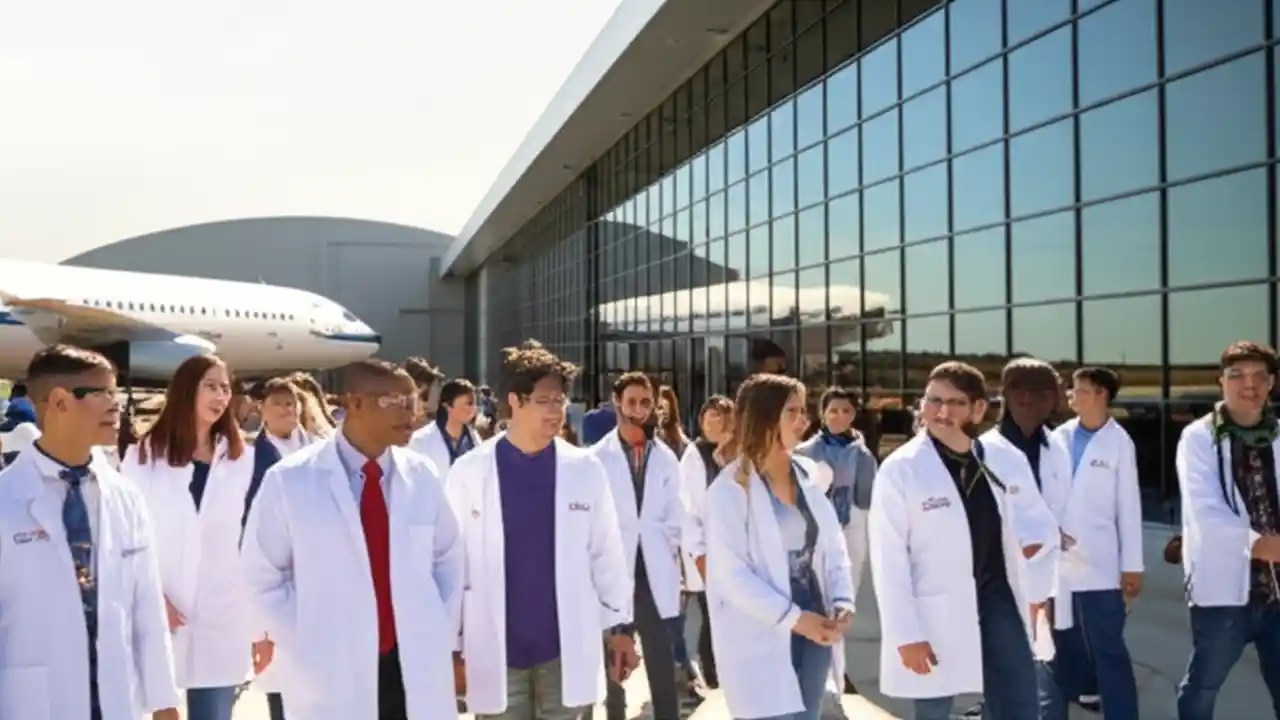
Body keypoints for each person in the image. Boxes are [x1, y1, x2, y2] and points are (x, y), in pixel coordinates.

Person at [241, 359, 464, 719]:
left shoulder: (422, 475)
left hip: (411, 664)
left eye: (415, 402)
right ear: (356, 402)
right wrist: (306, 637)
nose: (412, 414)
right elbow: (260, 576)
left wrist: (437, 624)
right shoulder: (291, 480)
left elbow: (448, 558)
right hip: (329, 669)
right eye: (397, 402)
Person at [446, 340, 635, 719]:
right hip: (497, 651)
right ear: (514, 401)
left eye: (560, 400)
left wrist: (621, 628)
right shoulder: (470, 471)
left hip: (564, 649)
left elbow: (607, 553)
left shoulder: (584, 469)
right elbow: (451, 562)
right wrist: (450, 644)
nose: (556, 410)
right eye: (544, 400)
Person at [0, 344, 181, 719]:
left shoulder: (125, 496)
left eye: (115, 393)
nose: (116, 406)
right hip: (30, 703)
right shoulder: (7, 499)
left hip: (115, 699)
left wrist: (164, 701)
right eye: (101, 393)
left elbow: (146, 607)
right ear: (59, 402)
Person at [869, 361, 1056, 720]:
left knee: (1019, 703)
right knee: (934, 709)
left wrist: (1036, 569)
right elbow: (888, 561)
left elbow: (1040, 524)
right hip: (935, 607)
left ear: (978, 408)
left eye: (956, 403)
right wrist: (905, 634)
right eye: (934, 400)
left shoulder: (1004, 459)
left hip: (998, 598)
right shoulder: (900, 469)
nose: (942, 412)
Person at [120, 354, 273, 720]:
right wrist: (154, 598)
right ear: (186, 390)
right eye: (211, 386)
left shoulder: (243, 459)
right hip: (160, 608)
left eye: (225, 388)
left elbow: (257, 544)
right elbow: (125, 537)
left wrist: (262, 627)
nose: (221, 396)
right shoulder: (143, 457)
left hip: (223, 611)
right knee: (160, 707)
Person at [704, 373, 853, 720]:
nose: (804, 421)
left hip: (816, 623)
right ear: (765, 417)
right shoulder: (729, 491)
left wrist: (842, 600)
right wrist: (796, 619)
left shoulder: (809, 475)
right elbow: (732, 575)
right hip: (763, 630)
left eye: (803, 411)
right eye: (793, 412)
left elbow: (833, 546)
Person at [1176, 341, 1280, 720]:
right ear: (1221, 381)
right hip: (1224, 594)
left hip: (1277, 592)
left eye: (1258, 376)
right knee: (1202, 689)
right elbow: (1205, 512)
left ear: (1271, 383)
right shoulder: (1199, 438)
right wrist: (1259, 544)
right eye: (1237, 375)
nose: (1248, 384)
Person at [1041, 365, 1142, 720]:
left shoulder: (1119, 443)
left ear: (1101, 394)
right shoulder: (1057, 437)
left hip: (1102, 565)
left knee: (1108, 649)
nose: (1071, 395)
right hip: (1057, 564)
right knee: (1056, 649)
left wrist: (1132, 566)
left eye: (1080, 389)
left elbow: (1129, 508)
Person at [590, 372, 684, 720]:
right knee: (613, 665)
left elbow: (677, 515)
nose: (639, 409)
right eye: (631, 401)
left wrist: (676, 562)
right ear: (617, 402)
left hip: (653, 572)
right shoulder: (598, 457)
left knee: (661, 661)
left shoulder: (666, 457)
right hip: (613, 571)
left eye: (646, 402)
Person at [794, 386, 878, 695]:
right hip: (813, 530)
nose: (839, 416)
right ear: (822, 413)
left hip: (852, 528)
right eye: (833, 410)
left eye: (846, 411)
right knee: (816, 596)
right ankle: (822, 670)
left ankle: (837, 671)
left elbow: (868, 500)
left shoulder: (864, 454)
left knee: (843, 602)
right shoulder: (804, 453)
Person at [678, 394, 734, 690]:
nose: (716, 423)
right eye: (711, 416)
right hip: (706, 546)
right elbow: (690, 506)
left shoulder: (736, 452)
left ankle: (720, 670)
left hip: (732, 545)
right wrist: (698, 551)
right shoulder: (695, 454)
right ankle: (712, 673)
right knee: (711, 610)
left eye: (722, 417)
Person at [409, 377, 480, 472]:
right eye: (469, 404)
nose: (473, 409)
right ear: (448, 406)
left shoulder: (474, 439)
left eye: (475, 404)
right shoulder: (420, 441)